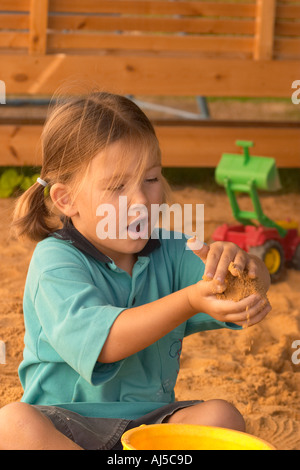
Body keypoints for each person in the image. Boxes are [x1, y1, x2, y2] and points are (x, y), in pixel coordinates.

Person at [0, 92, 271, 450]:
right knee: (12, 424)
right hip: (64, 424)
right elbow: (107, 344)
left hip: (152, 424)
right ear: (67, 200)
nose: (142, 201)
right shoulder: (55, 261)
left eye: (151, 179)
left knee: (222, 417)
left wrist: (246, 268)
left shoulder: (174, 248)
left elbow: (244, 287)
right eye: (117, 187)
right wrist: (189, 299)